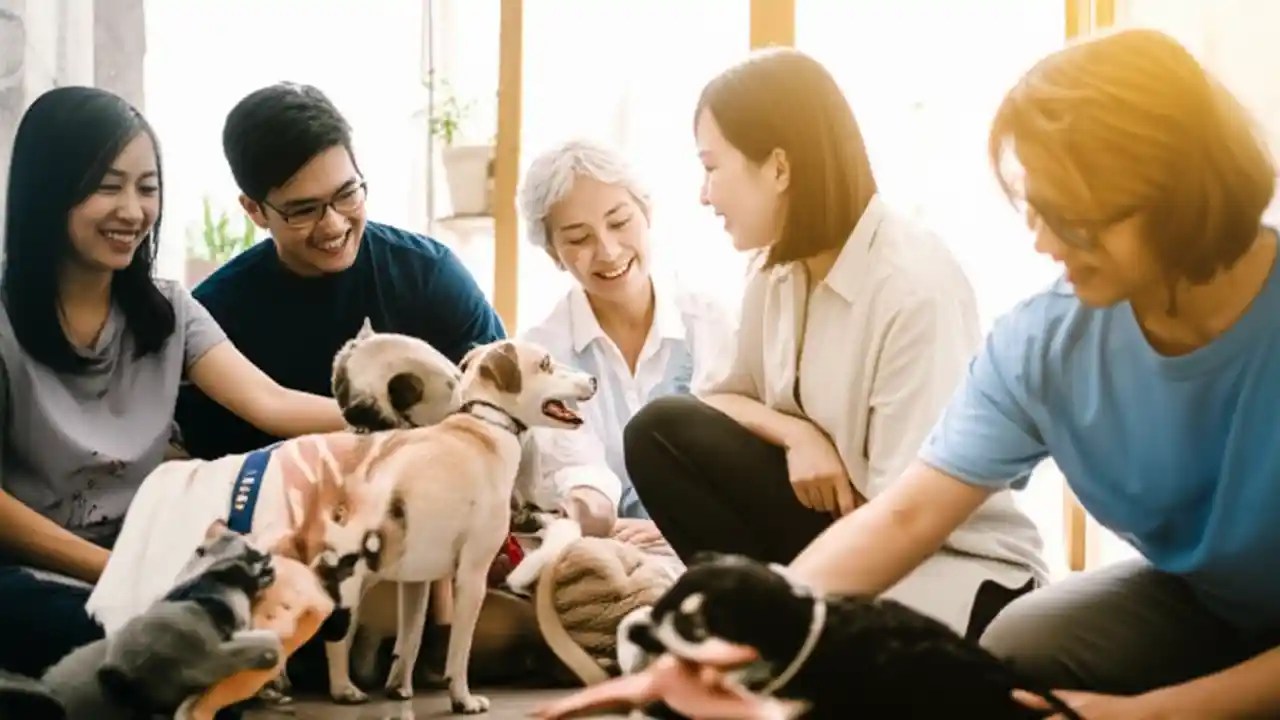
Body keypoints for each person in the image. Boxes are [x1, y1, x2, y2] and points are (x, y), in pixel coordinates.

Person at [783, 28, 1280, 718]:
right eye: (1036, 212)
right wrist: (760, 625)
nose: (1045, 243)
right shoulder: (1047, 342)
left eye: (1071, 219)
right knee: (1020, 647)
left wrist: (1152, 713)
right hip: (1209, 600)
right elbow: (906, 516)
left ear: (1173, 186)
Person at [622, 47, 1048, 640]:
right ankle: (764, 632)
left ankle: (775, 638)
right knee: (659, 431)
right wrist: (800, 435)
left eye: (713, 167)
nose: (704, 194)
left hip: (945, 560)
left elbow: (910, 512)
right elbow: (717, 400)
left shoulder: (911, 287)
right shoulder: (774, 270)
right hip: (845, 527)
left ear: (778, 168)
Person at [0, 86, 346, 677]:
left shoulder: (169, 310)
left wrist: (420, 418)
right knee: (77, 624)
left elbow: (271, 403)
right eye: (107, 186)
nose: (132, 211)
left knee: (267, 605)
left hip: (154, 557)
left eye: (147, 187)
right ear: (48, 190)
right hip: (38, 572)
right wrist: (123, 573)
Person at [174, 82, 505, 460]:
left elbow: (499, 406)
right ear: (254, 210)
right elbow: (201, 461)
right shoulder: (217, 315)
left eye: (347, 194)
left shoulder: (427, 275)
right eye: (303, 210)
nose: (333, 225)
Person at [515, 138, 737, 549]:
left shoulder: (712, 323)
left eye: (619, 223)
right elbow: (581, 476)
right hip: (609, 553)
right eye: (579, 238)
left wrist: (673, 529)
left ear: (647, 213)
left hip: (718, 544)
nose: (608, 250)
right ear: (553, 253)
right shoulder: (542, 357)